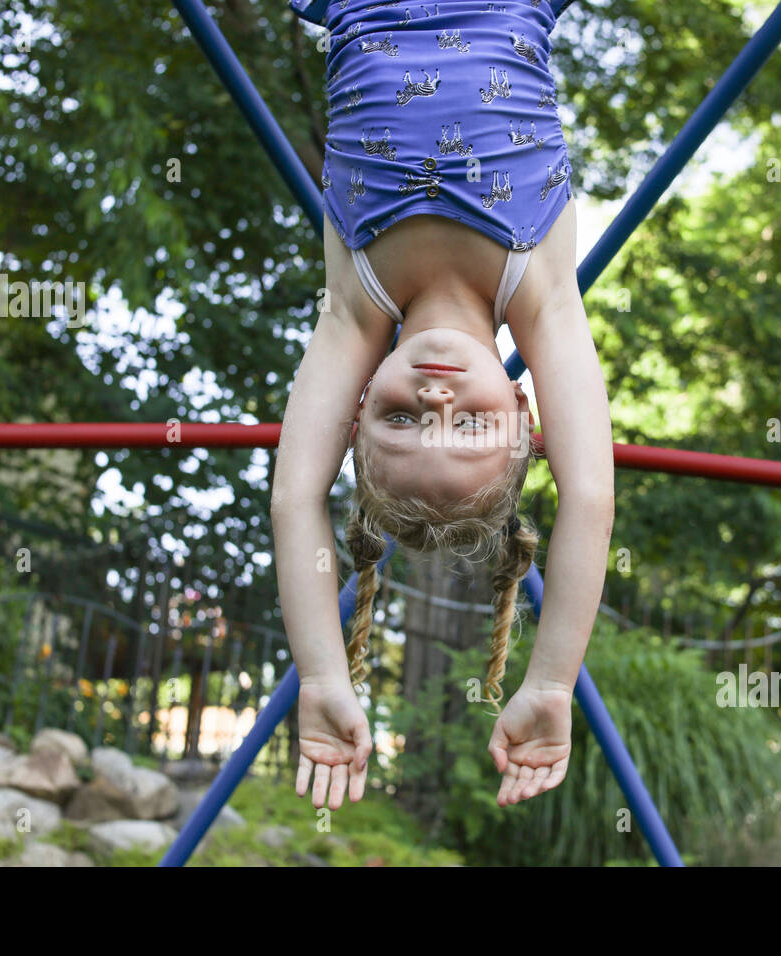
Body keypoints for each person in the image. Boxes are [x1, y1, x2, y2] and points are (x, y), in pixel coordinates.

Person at [272, 0, 612, 814]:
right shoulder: (542, 302)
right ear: (530, 418)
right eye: (471, 426)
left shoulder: (354, 312)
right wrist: (552, 681)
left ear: (352, 414)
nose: (436, 400)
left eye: (403, 421)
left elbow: (293, 499)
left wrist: (321, 675)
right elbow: (591, 502)